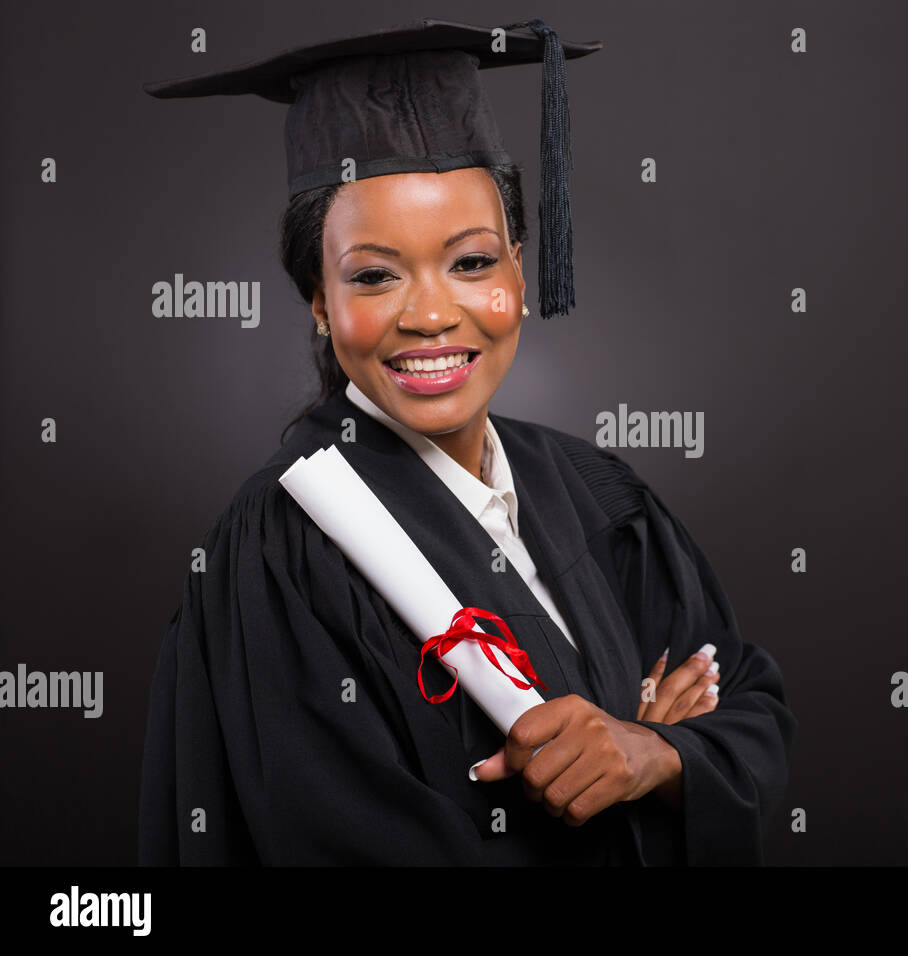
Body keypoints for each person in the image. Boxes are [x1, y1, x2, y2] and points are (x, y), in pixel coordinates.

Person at [138, 17, 795, 866]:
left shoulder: (592, 490)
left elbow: (746, 707)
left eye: (472, 262)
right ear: (317, 299)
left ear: (521, 273)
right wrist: (616, 790)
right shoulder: (284, 553)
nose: (430, 314)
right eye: (374, 275)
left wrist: (652, 757)